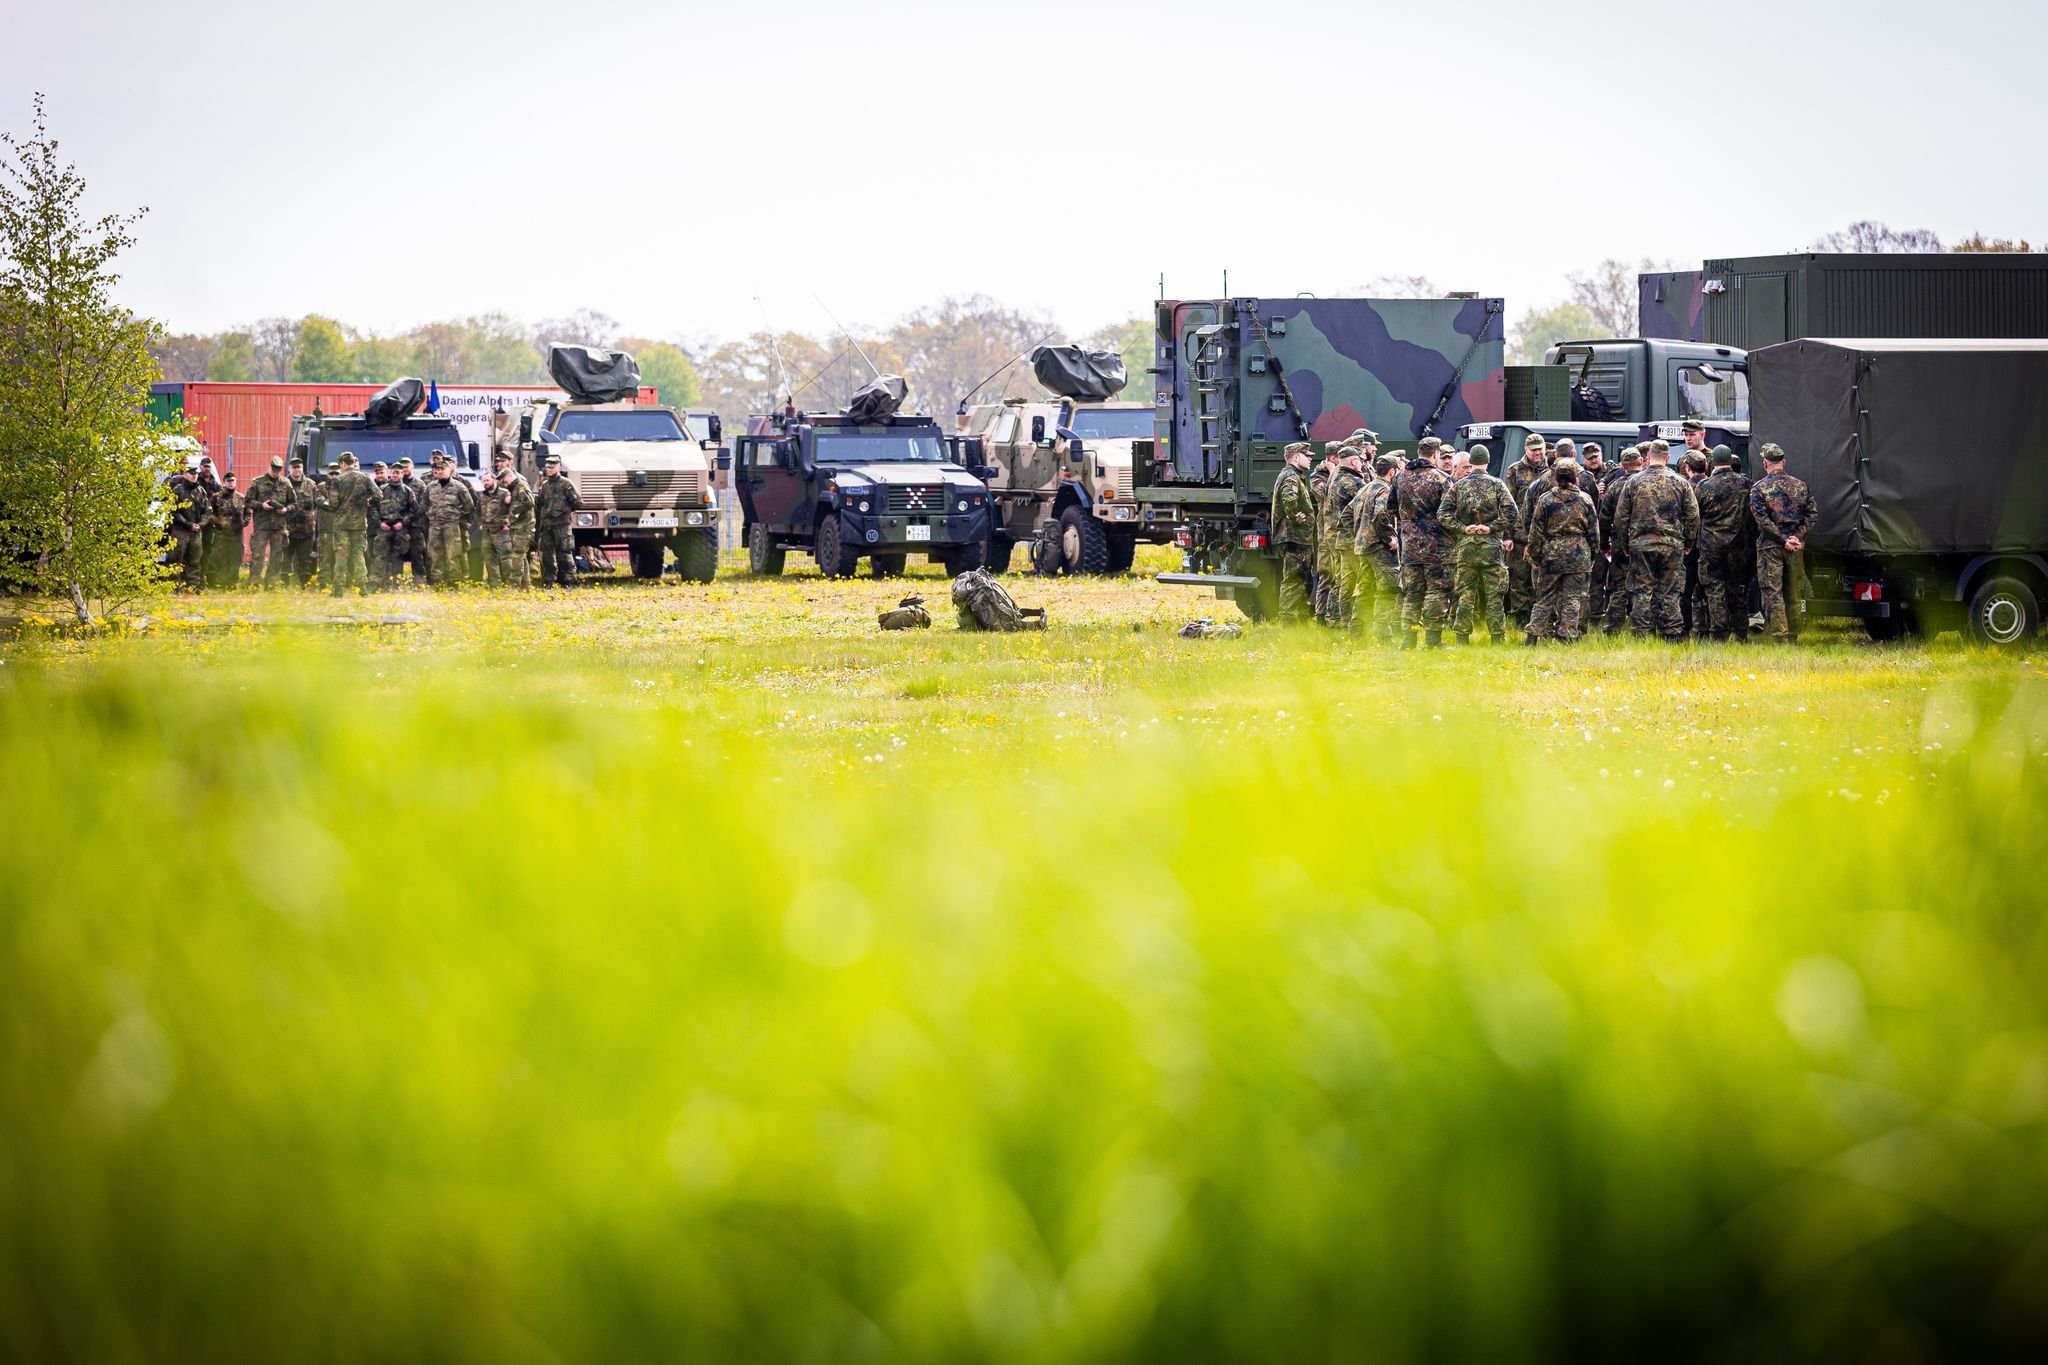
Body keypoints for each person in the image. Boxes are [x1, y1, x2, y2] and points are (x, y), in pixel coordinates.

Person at [1612, 439, 1700, 642]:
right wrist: (1688, 542)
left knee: (1642, 589)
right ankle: (1670, 633)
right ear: (1668, 457)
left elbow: (1621, 517)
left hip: (1641, 545)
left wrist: (1625, 543)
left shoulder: (1634, 482)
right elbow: (1693, 516)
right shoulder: (1680, 482)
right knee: (1670, 590)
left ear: (1647, 458)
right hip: (1672, 545)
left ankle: (1641, 634)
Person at [1437, 443, 1517, 644]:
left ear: (1470, 463)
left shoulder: (1459, 485)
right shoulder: (1497, 485)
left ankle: (1462, 638)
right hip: (1491, 547)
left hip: (1466, 548)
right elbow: (1512, 513)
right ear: (1487, 462)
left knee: (1465, 594)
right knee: (1494, 595)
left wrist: (1463, 528)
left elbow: (1442, 514)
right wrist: (1491, 528)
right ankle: (1497, 638)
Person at [1750, 442, 1817, 643]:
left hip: (1771, 548)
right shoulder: (1800, 485)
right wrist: (1796, 537)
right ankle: (1793, 635)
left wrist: (1782, 538)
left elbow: (1762, 520)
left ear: (1764, 463)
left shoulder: (1759, 489)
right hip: (1795, 548)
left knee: (1773, 592)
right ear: (1784, 462)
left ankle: (1780, 637)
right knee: (1794, 591)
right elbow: (1812, 515)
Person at [1392, 436, 1454, 647]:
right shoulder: (1441, 479)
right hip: (1436, 546)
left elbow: (1390, 508)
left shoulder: (1400, 477)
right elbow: (1450, 514)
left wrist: (1408, 522)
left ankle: (1408, 641)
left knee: (1412, 593)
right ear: (1436, 454)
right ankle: (1433, 640)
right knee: (1436, 591)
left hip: (1409, 545)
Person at [1527, 462, 1599, 643]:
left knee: (1544, 598)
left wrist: (1535, 556)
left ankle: (1532, 637)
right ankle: (1566, 637)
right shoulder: (1585, 500)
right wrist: (1592, 555)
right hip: (1578, 554)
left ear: (1556, 477)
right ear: (1575, 477)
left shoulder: (1546, 499)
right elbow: (1593, 533)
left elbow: (1535, 532)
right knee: (1572, 598)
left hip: (1551, 554)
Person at [1694, 447, 1753, 642]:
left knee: (1714, 589)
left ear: (1712, 462)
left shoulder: (1704, 486)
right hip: (1738, 547)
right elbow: (1752, 515)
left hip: (1711, 547)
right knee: (1737, 588)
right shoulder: (1746, 484)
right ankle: (1741, 632)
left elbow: (1696, 517)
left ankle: (1719, 633)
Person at [1316, 439, 1368, 626]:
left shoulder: (1335, 477)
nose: (1362, 463)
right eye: (1360, 459)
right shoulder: (1351, 481)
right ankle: (1343, 618)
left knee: (1343, 579)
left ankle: (1337, 618)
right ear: (1354, 461)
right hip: (1350, 537)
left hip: (1341, 537)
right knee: (1350, 580)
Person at [1353, 453, 1401, 644]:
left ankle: (1357, 631)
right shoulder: (1384, 490)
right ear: (1392, 472)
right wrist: (1389, 537)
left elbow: (1347, 515)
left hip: (1363, 547)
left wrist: (1360, 534)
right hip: (1380, 548)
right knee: (1387, 590)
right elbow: (1381, 514)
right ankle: (1383, 634)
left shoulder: (1365, 489)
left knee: (1365, 590)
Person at [1502, 432, 1549, 625]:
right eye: (1533, 450)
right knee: (1519, 579)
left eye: (1540, 449)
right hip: (1521, 535)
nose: (1537, 453)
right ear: (1526, 450)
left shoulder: (1551, 469)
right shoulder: (1515, 471)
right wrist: (1507, 535)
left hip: (1544, 535)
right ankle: (1521, 619)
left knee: (1540, 579)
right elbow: (1506, 504)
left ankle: (1539, 618)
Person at [1269, 441, 1318, 621]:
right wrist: (1297, 517)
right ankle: (1288, 621)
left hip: (1298, 538)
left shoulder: (1293, 475)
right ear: (1296, 457)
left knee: (1301, 580)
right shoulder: (1291, 477)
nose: (1310, 459)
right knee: (1293, 581)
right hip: (1295, 537)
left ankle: (1299, 619)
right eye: (1307, 456)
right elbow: (1289, 499)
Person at [317, 452, 375, 597]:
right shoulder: (365, 477)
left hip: (341, 524)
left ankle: (338, 590)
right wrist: (366, 502)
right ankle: (363, 588)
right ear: (353, 462)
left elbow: (332, 504)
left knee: (341, 556)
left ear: (343, 463)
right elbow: (378, 495)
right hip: (359, 524)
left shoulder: (338, 480)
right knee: (358, 555)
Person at [1600, 446, 1645, 633]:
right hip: (1644, 542)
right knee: (1643, 585)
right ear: (1641, 462)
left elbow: (1604, 518)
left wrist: (1604, 544)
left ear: (1622, 465)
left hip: (1620, 543)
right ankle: (1642, 627)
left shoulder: (1615, 486)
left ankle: (1612, 628)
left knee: (1619, 586)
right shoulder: (1646, 483)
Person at [422, 451, 477, 588]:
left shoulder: (459, 486)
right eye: (437, 469)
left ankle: (454, 581)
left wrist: (458, 516)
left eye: (442, 469)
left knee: (453, 554)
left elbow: (469, 505)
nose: (439, 472)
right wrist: (431, 515)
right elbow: (424, 505)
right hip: (435, 526)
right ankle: (437, 580)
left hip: (451, 526)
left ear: (449, 470)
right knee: (435, 553)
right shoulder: (431, 487)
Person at [534, 453, 584, 588]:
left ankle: (568, 581)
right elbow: (540, 505)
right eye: (548, 467)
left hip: (562, 526)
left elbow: (578, 503)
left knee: (564, 554)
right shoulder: (544, 485)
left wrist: (564, 511)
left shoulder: (566, 484)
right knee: (547, 556)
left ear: (559, 468)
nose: (549, 469)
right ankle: (549, 581)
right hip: (547, 526)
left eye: (552, 466)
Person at [245, 455, 296, 587]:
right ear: (269, 467)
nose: (275, 472)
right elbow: (248, 501)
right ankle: (254, 584)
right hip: (262, 525)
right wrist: (261, 505)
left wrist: (285, 509)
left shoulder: (286, 483)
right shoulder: (257, 482)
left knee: (277, 557)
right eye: (273, 469)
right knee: (258, 555)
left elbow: (293, 503)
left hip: (279, 526)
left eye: (278, 470)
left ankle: (272, 583)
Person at [165, 457, 209, 591]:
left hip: (196, 531)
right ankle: (175, 587)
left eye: (195, 474)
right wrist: (188, 524)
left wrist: (200, 524)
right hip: (180, 530)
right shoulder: (178, 490)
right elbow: (173, 511)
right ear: (185, 474)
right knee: (176, 559)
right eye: (191, 473)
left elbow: (207, 511)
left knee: (194, 560)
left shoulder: (200, 491)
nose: (194, 476)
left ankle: (193, 586)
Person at [371, 464, 417, 591]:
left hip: (400, 529)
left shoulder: (408, 491)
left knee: (397, 557)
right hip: (383, 528)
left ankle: (395, 584)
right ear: (390, 473)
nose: (395, 475)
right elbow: (373, 508)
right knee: (380, 556)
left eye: (398, 473)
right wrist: (380, 523)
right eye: (393, 473)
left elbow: (414, 510)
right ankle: (376, 583)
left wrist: (403, 523)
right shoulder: (381, 490)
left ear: (402, 474)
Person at [205, 470, 247, 589]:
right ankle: (221, 583)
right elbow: (209, 512)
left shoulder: (241, 497)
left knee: (235, 558)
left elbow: (248, 511)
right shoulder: (216, 498)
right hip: (221, 534)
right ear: (224, 483)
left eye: (233, 481)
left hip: (236, 535)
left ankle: (232, 583)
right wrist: (218, 522)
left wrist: (245, 521)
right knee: (220, 558)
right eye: (228, 481)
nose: (231, 483)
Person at [284, 456, 319, 587]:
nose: (297, 470)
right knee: (285, 559)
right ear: (289, 469)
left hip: (306, 530)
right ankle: (284, 585)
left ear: (302, 468)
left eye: (299, 467)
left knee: (305, 559)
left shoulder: (311, 484)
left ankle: (305, 585)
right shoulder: (283, 483)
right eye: (294, 467)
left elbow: (316, 504)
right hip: (288, 530)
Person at [395, 457, 429, 583]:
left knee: (417, 553)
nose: (404, 469)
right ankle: (397, 580)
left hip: (415, 525)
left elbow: (423, 505)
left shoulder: (420, 485)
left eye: (407, 466)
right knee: (398, 552)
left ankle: (419, 580)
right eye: (402, 467)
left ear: (412, 467)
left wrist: (408, 518)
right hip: (399, 526)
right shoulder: (395, 484)